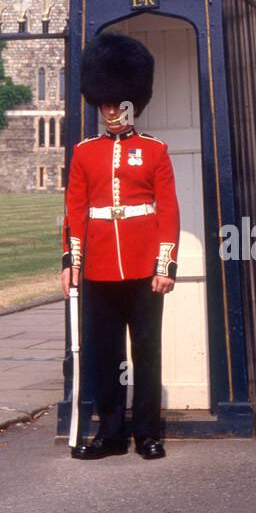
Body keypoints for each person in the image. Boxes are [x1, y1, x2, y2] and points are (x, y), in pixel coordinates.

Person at [61, 32, 179, 460]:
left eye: (119, 102)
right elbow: (75, 211)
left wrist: (165, 266)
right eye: (105, 103)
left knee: (146, 353)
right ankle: (109, 434)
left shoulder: (154, 152)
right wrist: (70, 263)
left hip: (144, 270)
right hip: (97, 269)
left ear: (133, 103)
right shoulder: (84, 153)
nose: (111, 110)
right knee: (103, 354)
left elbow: (168, 213)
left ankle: (147, 433)